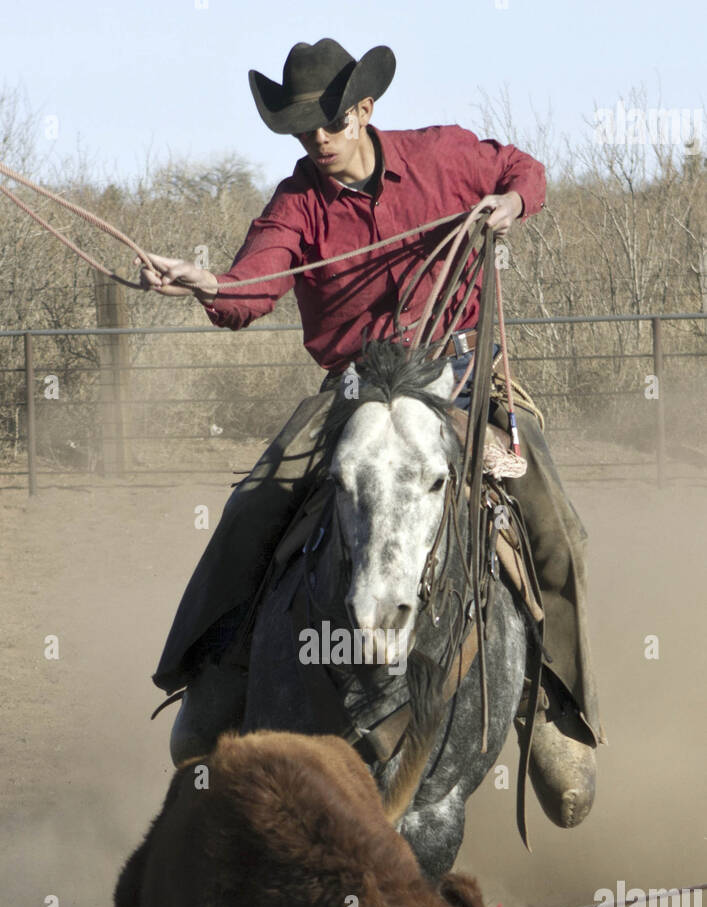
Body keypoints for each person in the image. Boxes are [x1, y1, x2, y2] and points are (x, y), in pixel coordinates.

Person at [139, 37, 603, 829]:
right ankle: (218, 677)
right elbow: (253, 286)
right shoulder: (298, 203)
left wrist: (508, 205)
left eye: (326, 120)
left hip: (459, 377)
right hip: (356, 392)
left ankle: (552, 705)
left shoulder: (443, 156)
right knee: (255, 505)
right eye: (299, 127)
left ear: (363, 108)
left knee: (551, 519)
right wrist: (207, 282)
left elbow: (523, 170)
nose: (314, 139)